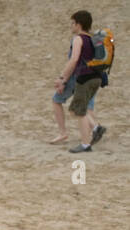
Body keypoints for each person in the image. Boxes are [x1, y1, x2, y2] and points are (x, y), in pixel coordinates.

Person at [59, 11, 103, 153]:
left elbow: (74, 59)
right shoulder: (93, 38)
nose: (71, 26)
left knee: (79, 111)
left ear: (79, 24)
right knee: (76, 110)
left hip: (85, 78)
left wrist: (62, 78)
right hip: (96, 77)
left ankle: (85, 144)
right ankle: (95, 128)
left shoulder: (78, 39)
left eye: (72, 23)